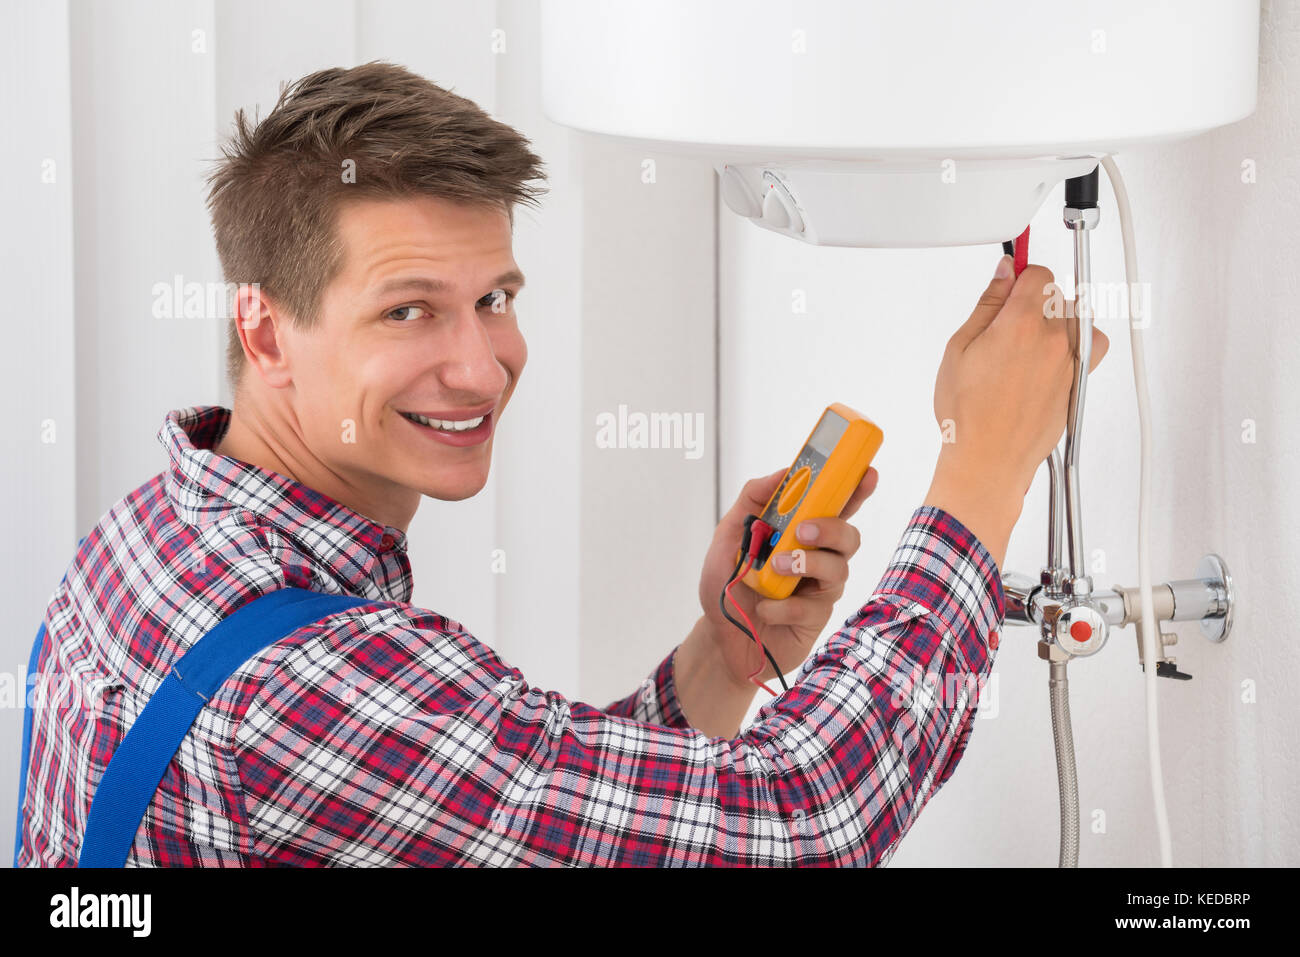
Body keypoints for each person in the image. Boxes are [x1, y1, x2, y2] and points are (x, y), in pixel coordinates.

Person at [16, 61, 1107, 867]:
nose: (481, 369)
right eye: (409, 311)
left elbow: (506, 812)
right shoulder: (309, 683)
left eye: (494, 299)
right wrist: (981, 474)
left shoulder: (155, 535)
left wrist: (720, 661)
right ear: (265, 334)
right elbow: (798, 827)